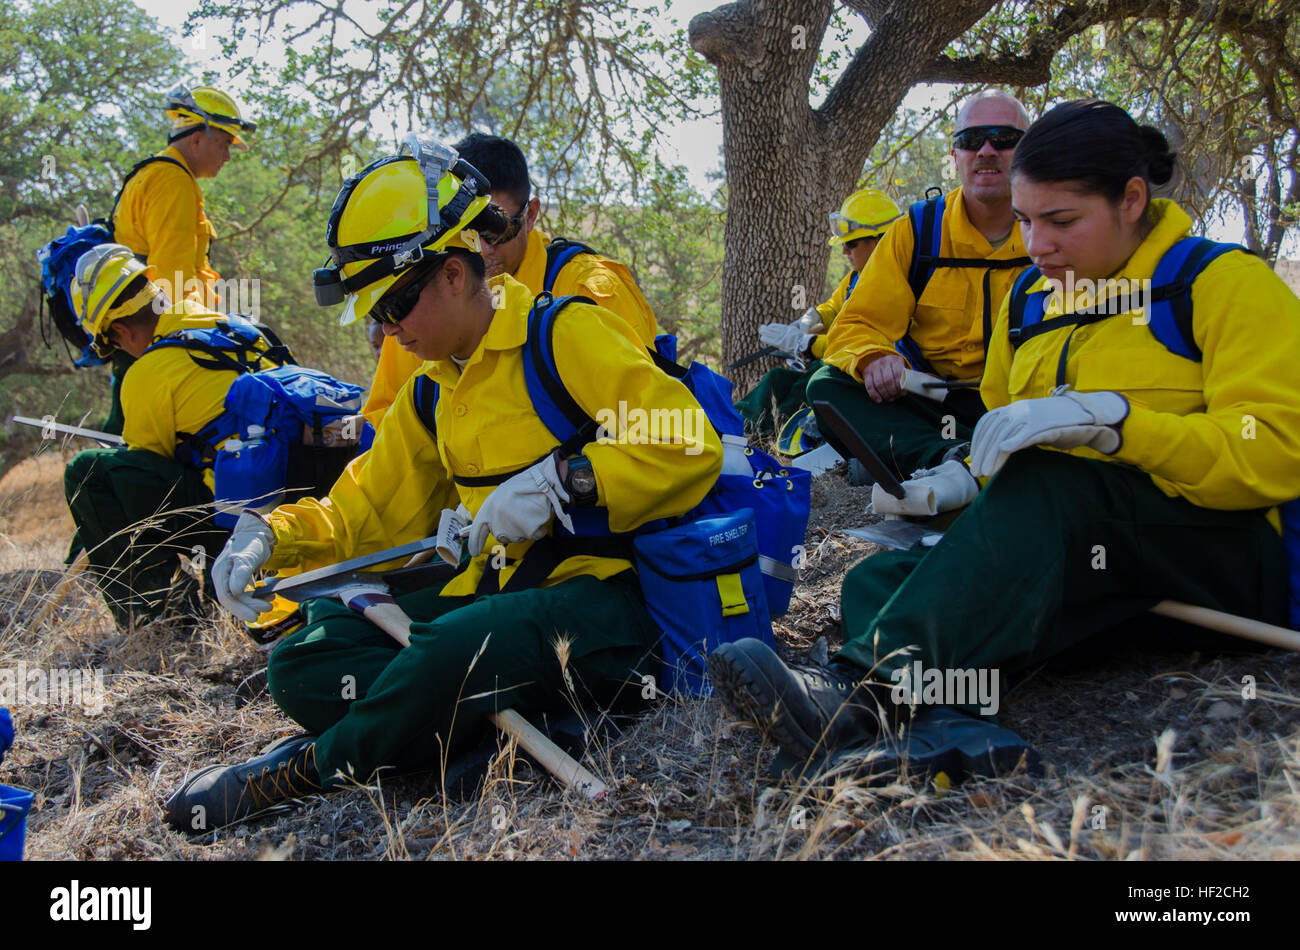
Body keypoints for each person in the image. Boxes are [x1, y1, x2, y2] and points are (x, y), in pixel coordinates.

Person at [709, 99, 1300, 785]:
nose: (1036, 244)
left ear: (1132, 199)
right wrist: (966, 480)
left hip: (1223, 563)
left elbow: (1275, 455)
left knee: (1060, 481)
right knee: (884, 577)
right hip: (1108, 575)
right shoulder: (1029, 303)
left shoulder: (1220, 284)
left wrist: (1117, 427)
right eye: (1024, 220)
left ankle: (861, 694)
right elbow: (1003, 434)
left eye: (1061, 220)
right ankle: (940, 727)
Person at [164, 143, 722, 831]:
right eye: (378, 314)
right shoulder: (429, 392)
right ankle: (478, 732)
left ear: (455, 274)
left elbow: (690, 443)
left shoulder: (565, 335)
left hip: (608, 602)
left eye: (396, 304)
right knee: (308, 657)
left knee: (450, 649)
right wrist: (267, 538)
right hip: (496, 592)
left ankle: (307, 769)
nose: (388, 330)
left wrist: (566, 481)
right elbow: (363, 511)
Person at [359, 132, 659, 428]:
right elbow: (385, 416)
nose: (482, 251)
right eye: (466, 234)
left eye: (496, 230)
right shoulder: (424, 303)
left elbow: (650, 424)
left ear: (530, 215)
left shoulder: (589, 290)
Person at [806, 90, 1033, 480]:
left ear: (1031, 152)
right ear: (955, 156)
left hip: (1021, 403)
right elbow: (855, 324)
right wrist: (874, 357)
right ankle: (947, 458)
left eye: (1004, 139)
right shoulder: (917, 229)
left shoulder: (1054, 228)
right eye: (971, 140)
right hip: (929, 396)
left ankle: (911, 456)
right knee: (827, 385)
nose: (987, 151)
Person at [62, 244, 284, 631]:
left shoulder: (147, 374)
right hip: (303, 511)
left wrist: (96, 527)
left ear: (119, 330)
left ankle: (152, 615)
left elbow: (143, 476)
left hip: (237, 522)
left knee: (90, 472)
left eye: (113, 345)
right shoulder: (241, 327)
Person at [99, 85, 256, 435]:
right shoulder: (173, 181)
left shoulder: (155, 173)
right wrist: (189, 344)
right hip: (154, 341)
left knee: (125, 431)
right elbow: (172, 275)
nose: (227, 157)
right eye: (224, 144)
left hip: (137, 337)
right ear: (198, 138)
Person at [735, 188, 901, 440]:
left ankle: (757, 438)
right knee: (777, 378)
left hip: (863, 377)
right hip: (842, 368)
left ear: (877, 243)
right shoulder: (857, 277)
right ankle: (727, 425)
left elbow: (861, 343)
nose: (845, 251)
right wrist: (811, 320)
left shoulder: (897, 284)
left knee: (808, 385)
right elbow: (834, 308)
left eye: (851, 244)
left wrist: (809, 344)